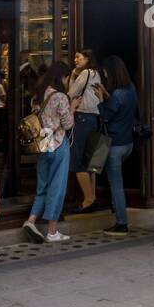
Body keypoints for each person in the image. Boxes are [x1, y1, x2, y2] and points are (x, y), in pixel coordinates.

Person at [22, 60, 74, 243]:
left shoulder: (37, 96)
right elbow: (68, 124)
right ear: (62, 77)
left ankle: (31, 220)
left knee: (42, 186)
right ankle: (52, 231)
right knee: (57, 188)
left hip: (42, 145)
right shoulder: (60, 97)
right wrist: (72, 108)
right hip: (58, 144)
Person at [94, 55, 138, 236]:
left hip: (114, 145)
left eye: (105, 71)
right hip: (128, 143)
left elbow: (105, 115)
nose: (104, 74)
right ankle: (117, 212)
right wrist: (106, 95)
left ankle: (121, 223)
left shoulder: (118, 95)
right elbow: (119, 108)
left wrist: (99, 99)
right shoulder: (131, 89)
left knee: (116, 184)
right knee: (116, 182)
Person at [67, 49, 103, 213]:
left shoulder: (85, 73)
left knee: (77, 160)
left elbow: (71, 93)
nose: (75, 60)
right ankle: (93, 197)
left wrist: (73, 76)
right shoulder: (97, 73)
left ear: (87, 59)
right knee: (91, 161)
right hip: (94, 119)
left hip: (82, 118)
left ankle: (88, 199)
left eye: (78, 57)